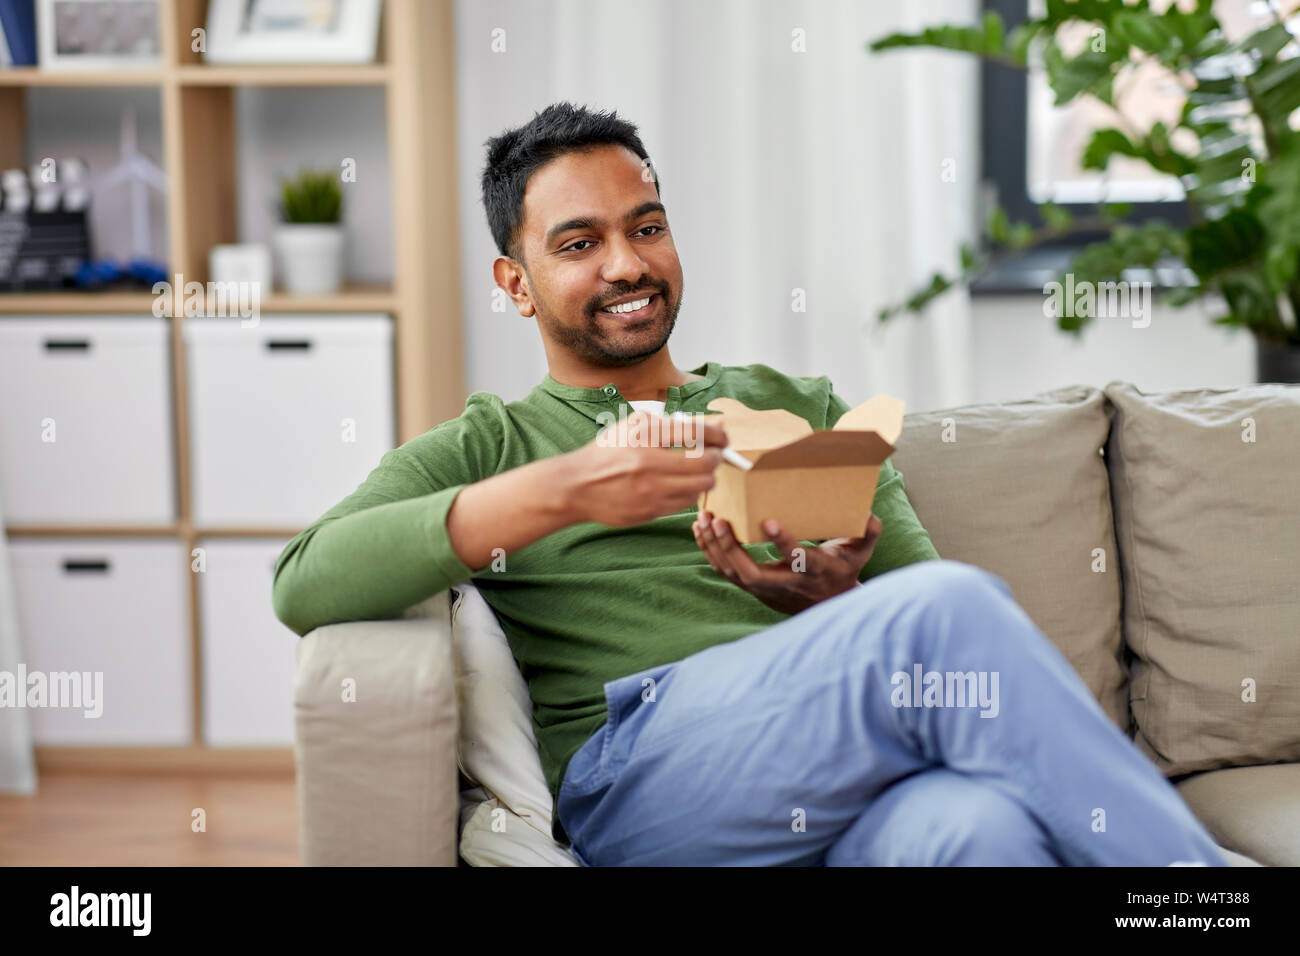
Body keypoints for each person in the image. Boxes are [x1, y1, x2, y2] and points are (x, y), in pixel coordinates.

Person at [272, 102, 1225, 867]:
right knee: (952, 612)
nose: (627, 264)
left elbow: (918, 618)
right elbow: (305, 581)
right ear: (516, 283)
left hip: (834, 778)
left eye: (648, 227)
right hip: (645, 780)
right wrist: (569, 489)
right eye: (577, 244)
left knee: (977, 830)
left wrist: (827, 594)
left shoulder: (791, 403)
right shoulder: (494, 440)